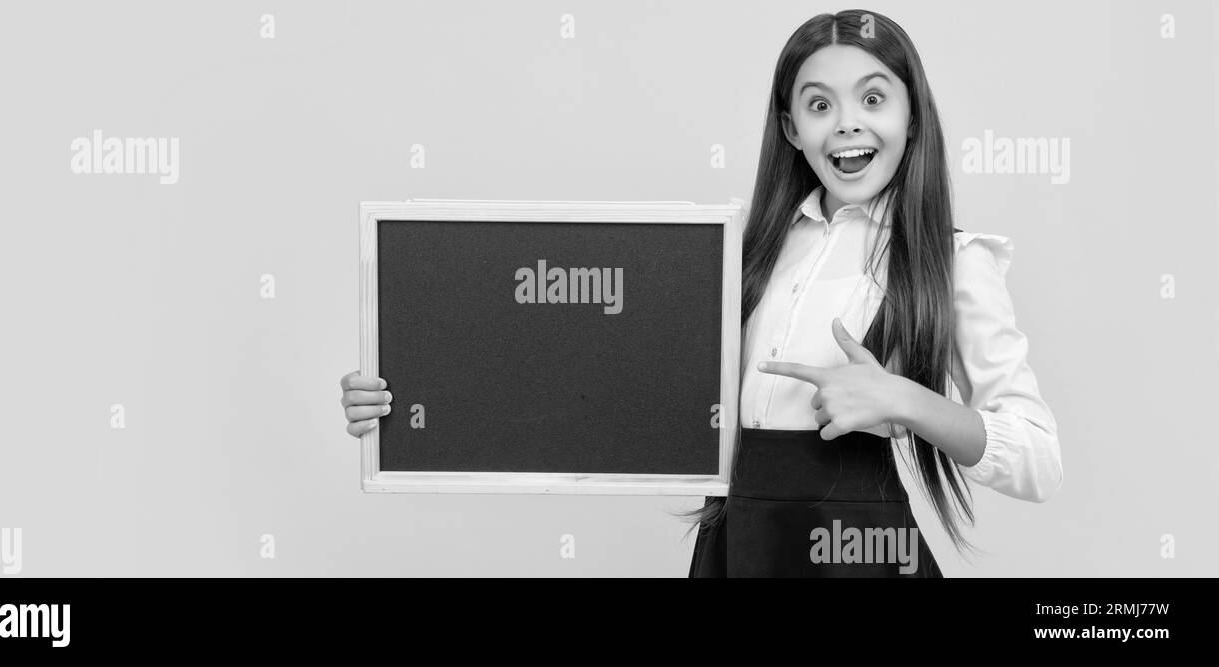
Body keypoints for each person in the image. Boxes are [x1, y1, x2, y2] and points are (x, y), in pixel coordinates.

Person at [342, 8, 1063, 577]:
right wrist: (413, 397)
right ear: (792, 128)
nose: (846, 120)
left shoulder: (953, 261)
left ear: (912, 118)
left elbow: (1039, 458)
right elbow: (587, 376)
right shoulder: (743, 250)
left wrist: (906, 400)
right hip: (735, 547)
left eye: (873, 97)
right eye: (819, 104)